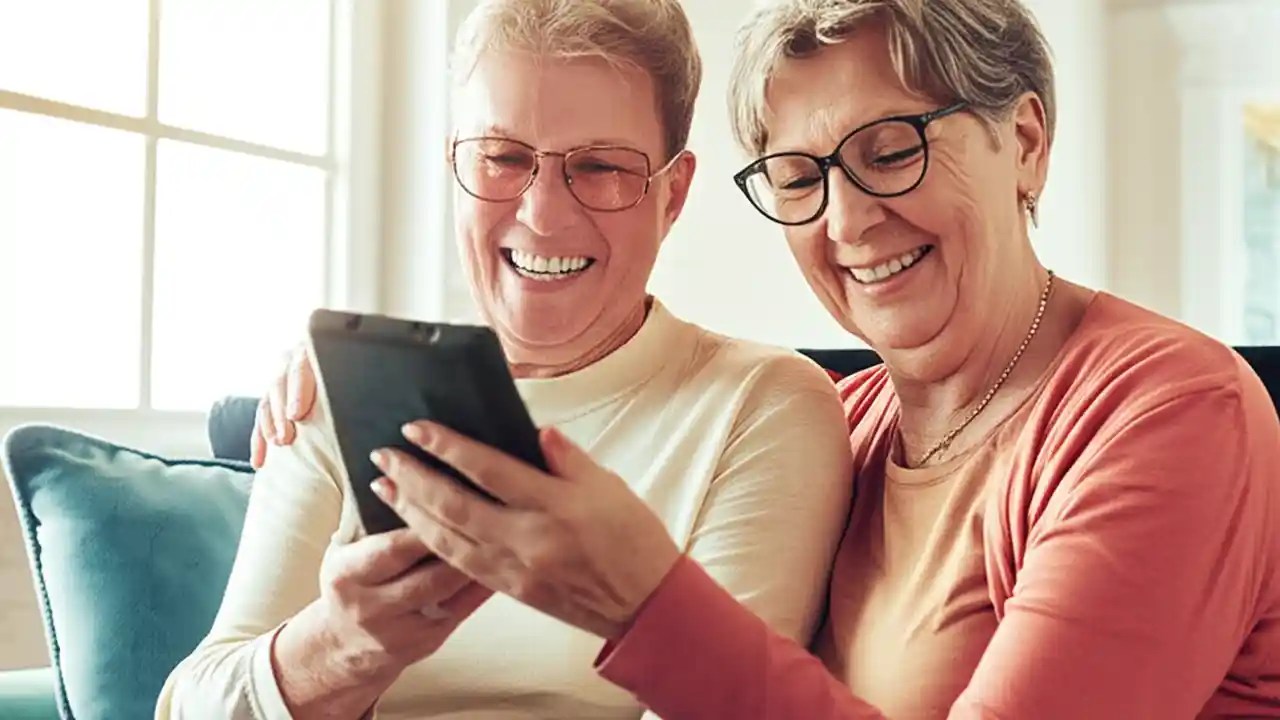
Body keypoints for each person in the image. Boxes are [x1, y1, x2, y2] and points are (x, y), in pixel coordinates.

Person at [282, 0, 1278, 718]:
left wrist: (643, 604)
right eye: (800, 176)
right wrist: (326, 380)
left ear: (1022, 140)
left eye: (890, 152)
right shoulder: (837, 427)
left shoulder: (1167, 412)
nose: (846, 220)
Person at [155, 2, 854, 719]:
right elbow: (191, 705)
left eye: (601, 166)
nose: (543, 214)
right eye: (502, 157)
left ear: (671, 195)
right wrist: (340, 644)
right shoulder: (336, 389)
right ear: (457, 165)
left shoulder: (760, 409)